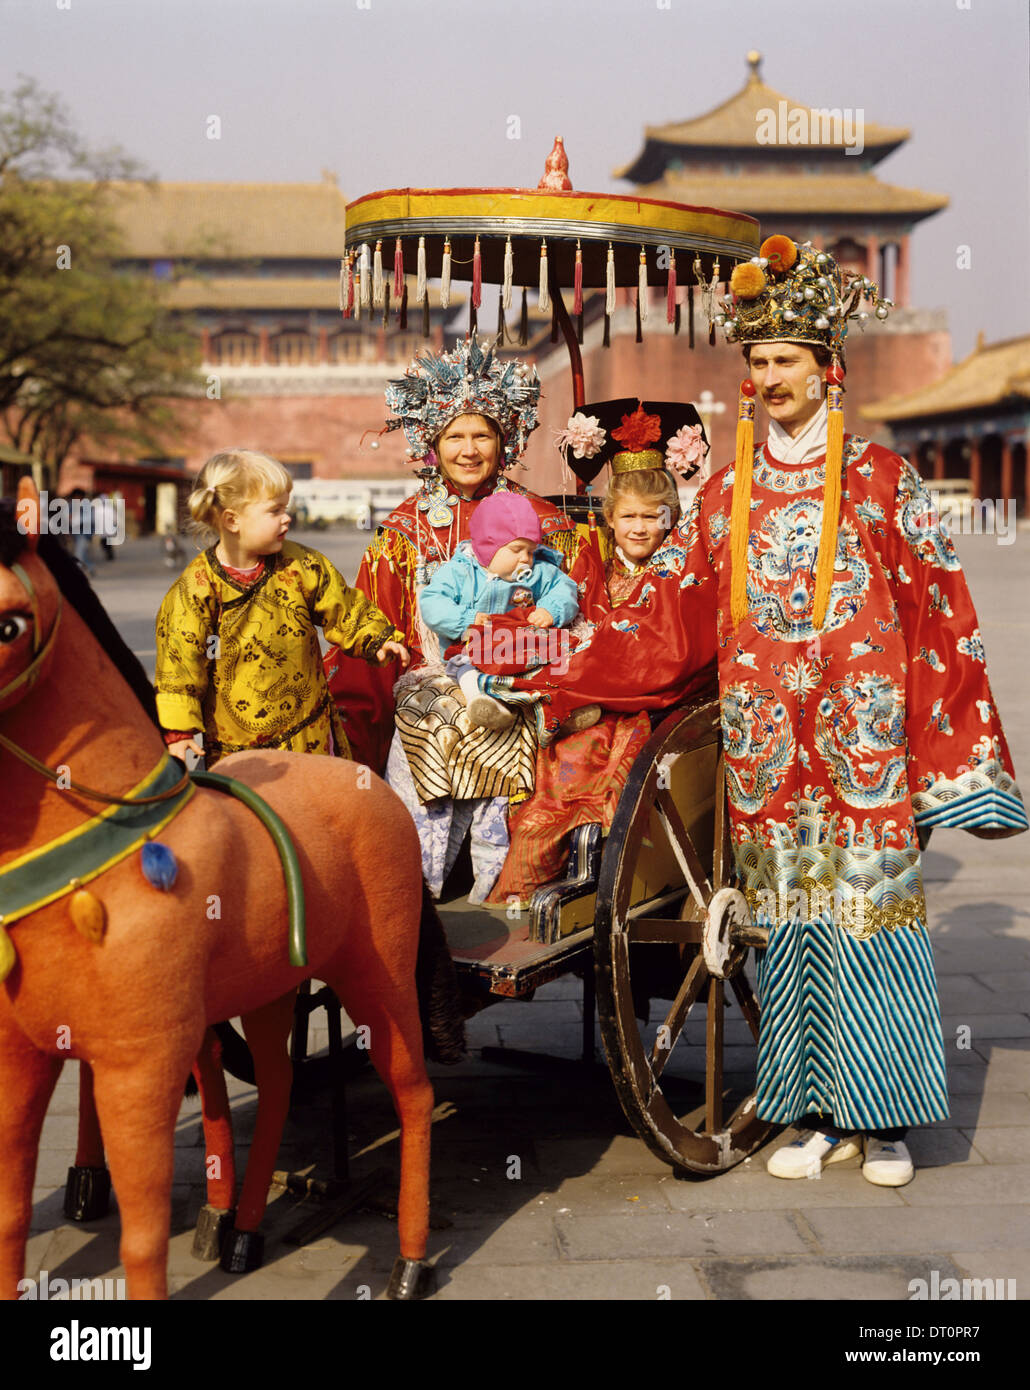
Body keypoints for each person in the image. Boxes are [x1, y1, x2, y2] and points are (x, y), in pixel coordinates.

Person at [502, 236, 1027, 1185]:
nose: (772, 377)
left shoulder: (879, 480)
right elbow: (668, 620)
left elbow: (942, 612)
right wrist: (561, 671)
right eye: (759, 362)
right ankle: (813, 1113)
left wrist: (956, 763)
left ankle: (888, 1120)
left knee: (870, 912)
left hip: (862, 748)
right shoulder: (727, 497)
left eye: (787, 360)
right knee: (785, 923)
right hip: (764, 751)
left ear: (828, 368)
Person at [323, 334, 577, 902]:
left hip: (520, 683)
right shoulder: (403, 530)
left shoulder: (543, 523)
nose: (468, 449)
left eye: (481, 434)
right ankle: (410, 888)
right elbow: (374, 626)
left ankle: (503, 885)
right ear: (431, 443)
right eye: (454, 435)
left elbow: (569, 610)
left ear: (502, 440)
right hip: (429, 693)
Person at [486, 398, 710, 904]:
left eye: (653, 517)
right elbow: (566, 617)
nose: (639, 527)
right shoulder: (589, 564)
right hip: (591, 687)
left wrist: (576, 672)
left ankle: (581, 876)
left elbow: (666, 653)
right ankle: (513, 881)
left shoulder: (681, 575)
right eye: (628, 515)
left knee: (585, 750)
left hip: (644, 703)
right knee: (529, 753)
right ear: (609, 517)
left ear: (671, 518)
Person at [154, 448, 408, 767]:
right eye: (274, 511)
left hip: (311, 732)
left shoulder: (301, 564)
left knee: (316, 811)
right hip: (239, 750)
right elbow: (179, 664)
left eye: (285, 508)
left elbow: (342, 605)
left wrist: (376, 637)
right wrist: (180, 731)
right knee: (254, 816)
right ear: (232, 520)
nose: (287, 517)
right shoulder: (195, 590)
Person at [420, 491, 580, 729]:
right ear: (487, 546)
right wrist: (466, 620)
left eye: (531, 550)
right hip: (474, 646)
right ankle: (480, 703)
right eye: (517, 550)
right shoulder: (459, 573)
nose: (526, 559)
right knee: (465, 666)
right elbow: (432, 603)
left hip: (521, 647)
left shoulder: (537, 573)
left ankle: (568, 707)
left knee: (560, 661)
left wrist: (551, 609)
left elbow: (565, 587)